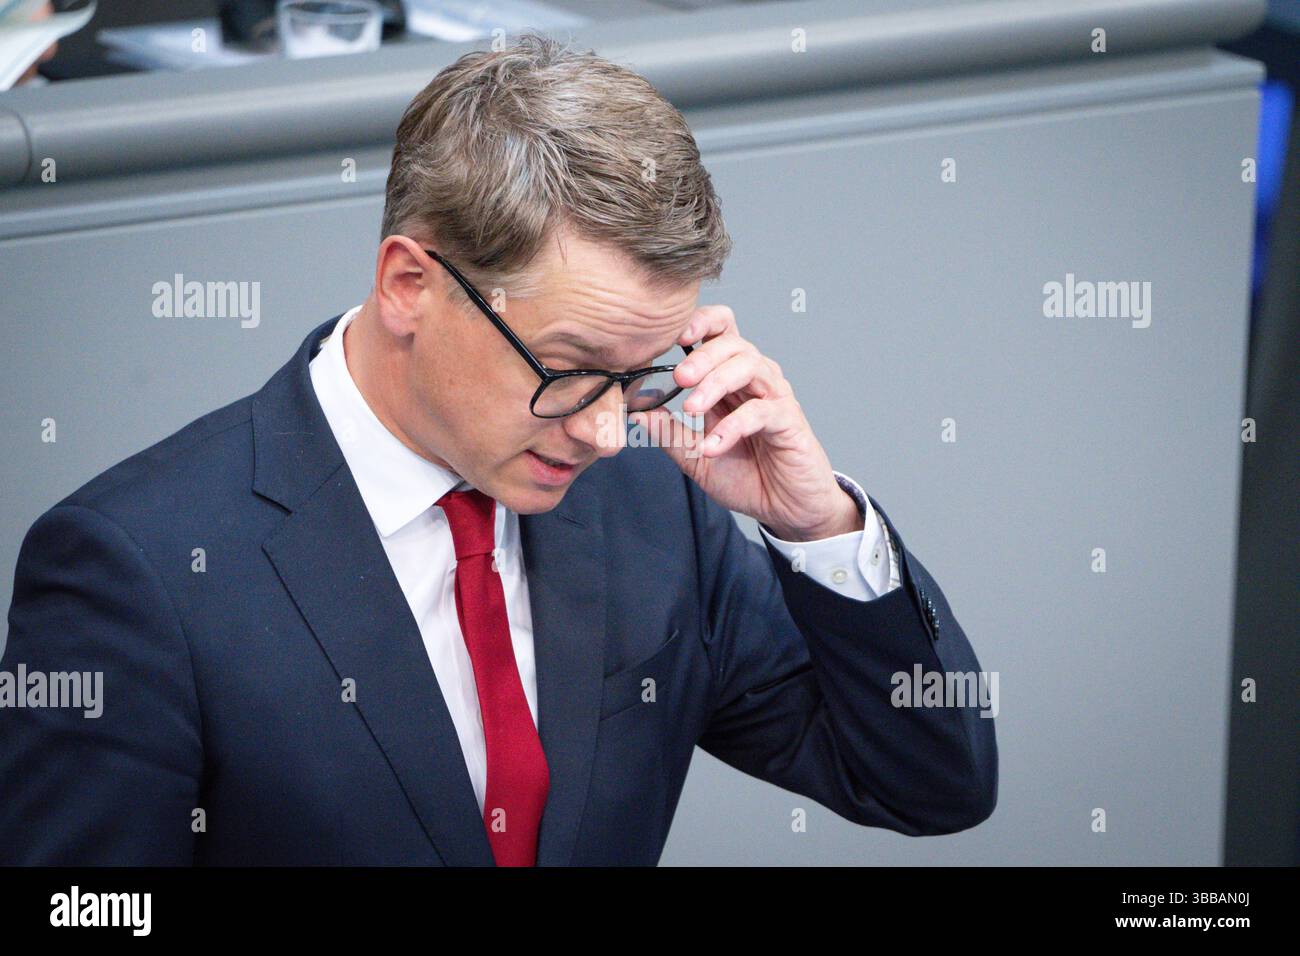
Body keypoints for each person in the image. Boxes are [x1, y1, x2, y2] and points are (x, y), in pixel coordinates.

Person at [0, 33, 996, 866]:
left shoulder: (657, 504)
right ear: (407, 284)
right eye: (567, 367)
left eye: (643, 371)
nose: (609, 429)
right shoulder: (136, 572)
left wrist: (819, 524)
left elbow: (928, 782)